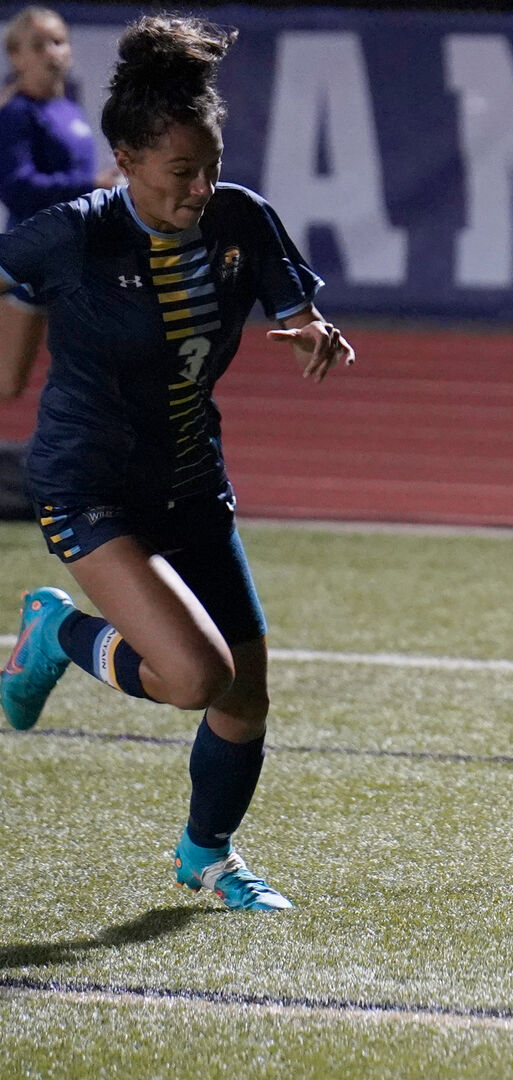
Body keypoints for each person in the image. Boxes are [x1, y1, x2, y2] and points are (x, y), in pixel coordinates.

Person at [0, 14, 355, 910]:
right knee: (198, 677)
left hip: (193, 480)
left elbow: (292, 305)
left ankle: (206, 855)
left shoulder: (239, 217)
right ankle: (54, 634)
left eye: (209, 166)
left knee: (246, 701)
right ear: (123, 160)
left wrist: (314, 333)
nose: (200, 189)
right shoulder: (75, 236)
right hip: (90, 485)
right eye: (179, 173)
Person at [0, 6, 119, 398]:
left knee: (98, 368)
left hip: (76, 254)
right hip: (34, 254)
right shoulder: (17, 114)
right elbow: (17, 187)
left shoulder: (68, 110)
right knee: (7, 381)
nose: (53, 52)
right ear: (16, 56)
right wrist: (90, 185)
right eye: (39, 45)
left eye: (58, 41)